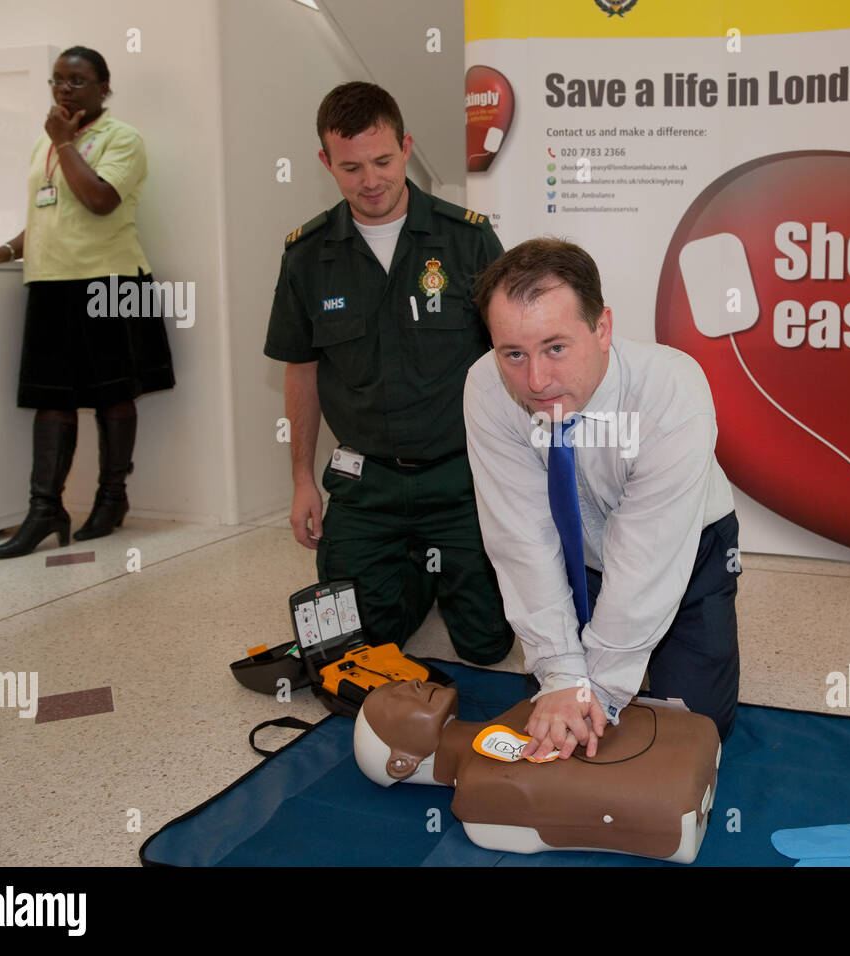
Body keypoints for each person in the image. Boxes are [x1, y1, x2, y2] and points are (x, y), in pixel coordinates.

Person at [264, 82, 512, 666]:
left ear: (405, 147)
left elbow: (511, 355)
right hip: (365, 483)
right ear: (327, 163)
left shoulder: (468, 239)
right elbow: (300, 371)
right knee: (352, 648)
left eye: (382, 161)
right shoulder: (308, 255)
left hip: (460, 479)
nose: (370, 180)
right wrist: (302, 478)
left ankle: (436, 569)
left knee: (488, 646)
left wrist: (519, 473)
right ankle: (414, 577)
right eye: (350, 167)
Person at [463, 238, 741, 759]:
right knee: (555, 696)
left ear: (603, 328)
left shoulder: (670, 391)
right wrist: (562, 672)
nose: (537, 381)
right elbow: (522, 537)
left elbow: (646, 558)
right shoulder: (484, 387)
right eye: (514, 354)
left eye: (556, 347)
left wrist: (599, 689)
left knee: (694, 728)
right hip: (578, 554)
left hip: (686, 547)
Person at [0, 46, 174, 558]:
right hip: (51, 279)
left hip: (108, 278)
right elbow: (49, 206)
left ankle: (112, 498)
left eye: (77, 80)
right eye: (57, 80)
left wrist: (64, 144)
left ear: (104, 87)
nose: (64, 89)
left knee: (113, 392)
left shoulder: (121, 138)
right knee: (51, 397)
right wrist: (7, 249)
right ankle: (45, 508)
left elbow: (101, 201)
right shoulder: (50, 140)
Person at [353, 679, 721, 862]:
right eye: (397, 700)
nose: (413, 683)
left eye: (398, 685)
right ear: (401, 763)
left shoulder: (525, 709)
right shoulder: (482, 786)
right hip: (673, 795)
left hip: (681, 756)